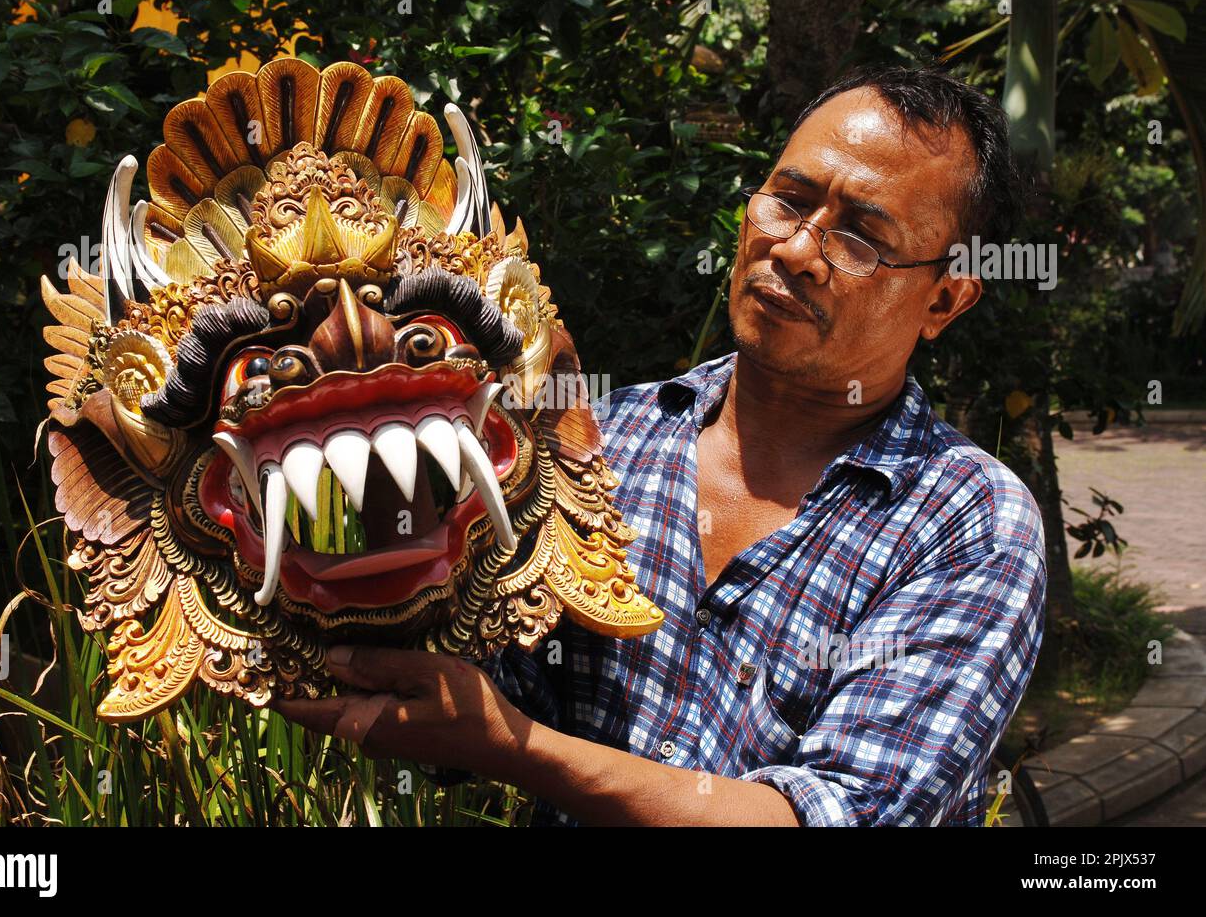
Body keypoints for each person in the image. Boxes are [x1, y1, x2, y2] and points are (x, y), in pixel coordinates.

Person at [275, 64, 1047, 826]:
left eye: (860, 237)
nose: (796, 251)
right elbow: (499, 676)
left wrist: (512, 746)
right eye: (787, 200)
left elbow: (836, 817)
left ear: (944, 299)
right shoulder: (605, 437)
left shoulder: (970, 524)